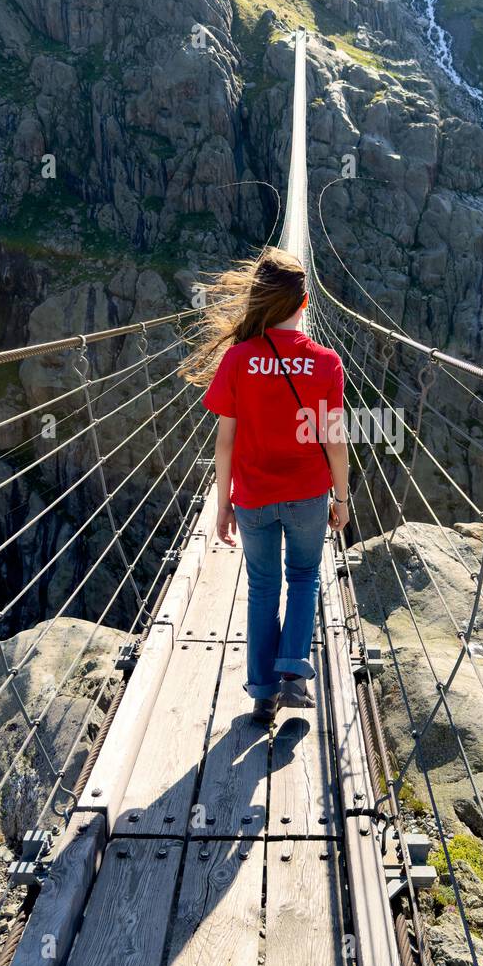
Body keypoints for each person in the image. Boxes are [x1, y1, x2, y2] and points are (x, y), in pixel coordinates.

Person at [181, 248, 350, 727]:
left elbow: (225, 443)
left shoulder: (238, 358)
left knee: (261, 588)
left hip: (253, 497)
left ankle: (262, 693)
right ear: (305, 302)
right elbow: (334, 441)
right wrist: (341, 498)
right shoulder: (326, 362)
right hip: (308, 494)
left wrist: (223, 505)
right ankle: (293, 673)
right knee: (304, 577)